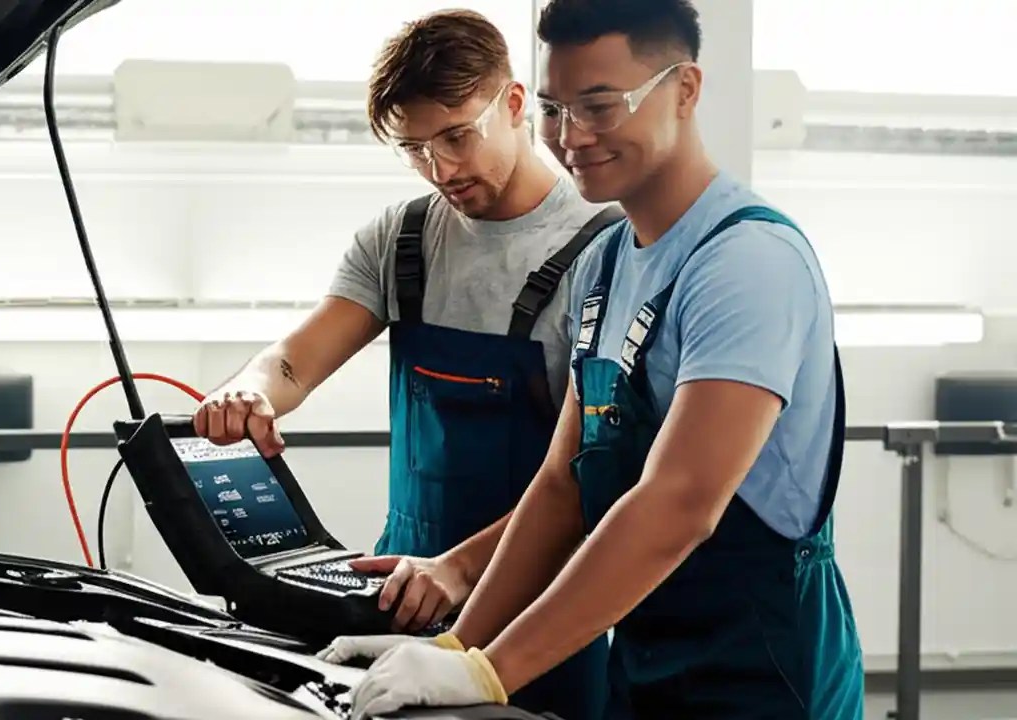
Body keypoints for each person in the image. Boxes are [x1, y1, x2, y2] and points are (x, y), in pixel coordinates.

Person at [321, 1, 867, 719]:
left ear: (685, 89)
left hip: (763, 673)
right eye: (553, 109)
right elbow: (563, 486)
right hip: (647, 662)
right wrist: (459, 645)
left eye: (600, 106)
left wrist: (490, 673)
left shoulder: (746, 264)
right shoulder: (608, 260)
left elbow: (677, 506)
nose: (570, 136)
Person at [192, 9, 618, 720]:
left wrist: (459, 571)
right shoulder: (402, 239)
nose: (440, 169)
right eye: (413, 149)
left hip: (539, 613)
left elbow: (593, 479)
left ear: (513, 103)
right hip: (398, 595)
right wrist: (250, 391)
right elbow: (293, 364)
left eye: (456, 137)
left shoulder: (604, 253)